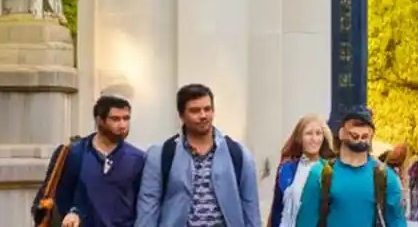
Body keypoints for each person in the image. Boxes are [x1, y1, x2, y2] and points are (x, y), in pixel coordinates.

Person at [135, 83, 261, 227]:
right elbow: (148, 208)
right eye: (195, 111)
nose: (203, 115)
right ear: (181, 115)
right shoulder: (160, 155)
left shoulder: (238, 154)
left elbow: (251, 209)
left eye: (207, 109)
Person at [33, 95, 145, 227]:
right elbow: (55, 195)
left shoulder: (138, 158)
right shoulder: (73, 153)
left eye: (126, 118)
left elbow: (143, 203)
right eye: (115, 119)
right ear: (99, 120)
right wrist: (71, 212)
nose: (122, 125)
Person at [293, 106, 406, 227]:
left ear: (371, 134)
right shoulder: (320, 174)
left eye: (365, 130)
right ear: (341, 133)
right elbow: (305, 221)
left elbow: (397, 221)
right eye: (355, 128)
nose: (360, 134)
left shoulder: (387, 177)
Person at [273, 114, 335, 227]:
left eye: (318, 133)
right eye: (309, 133)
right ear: (299, 137)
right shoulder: (286, 169)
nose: (314, 139)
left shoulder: (328, 171)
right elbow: (276, 209)